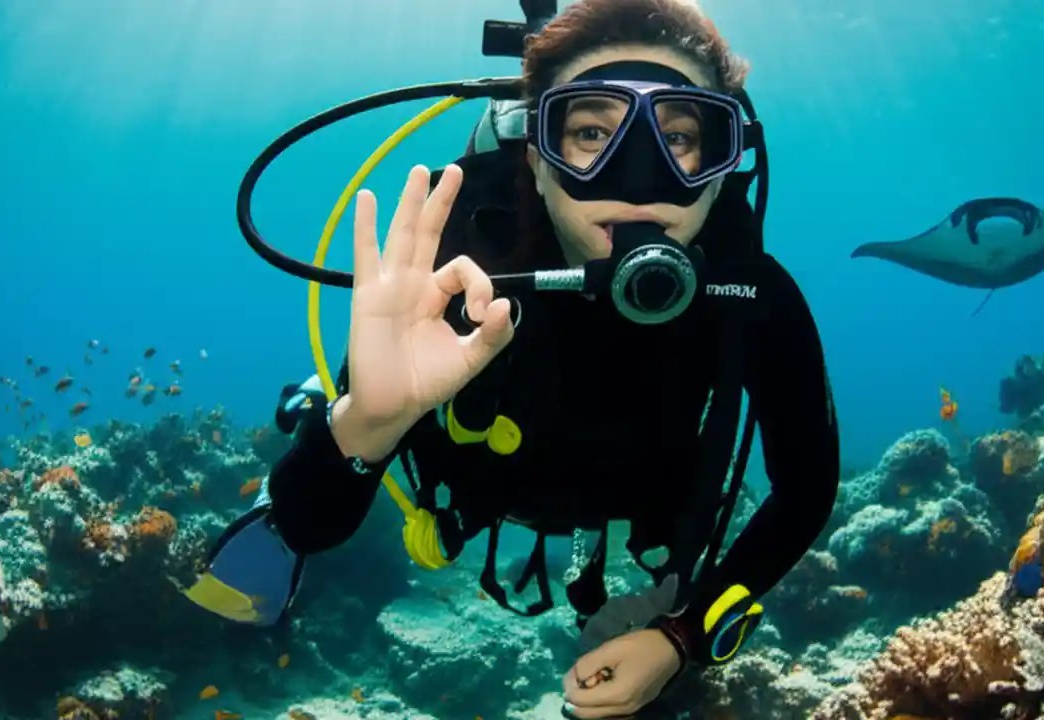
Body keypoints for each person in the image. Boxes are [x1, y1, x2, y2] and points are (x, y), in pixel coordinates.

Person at [187, 1, 840, 717]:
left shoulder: (752, 295)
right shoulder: (457, 268)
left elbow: (805, 488)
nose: (639, 176)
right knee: (346, 411)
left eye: (681, 136)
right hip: (477, 486)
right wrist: (369, 423)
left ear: (721, 165)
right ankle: (325, 401)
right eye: (592, 131)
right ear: (536, 156)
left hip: (633, 501)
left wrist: (681, 638)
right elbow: (311, 529)